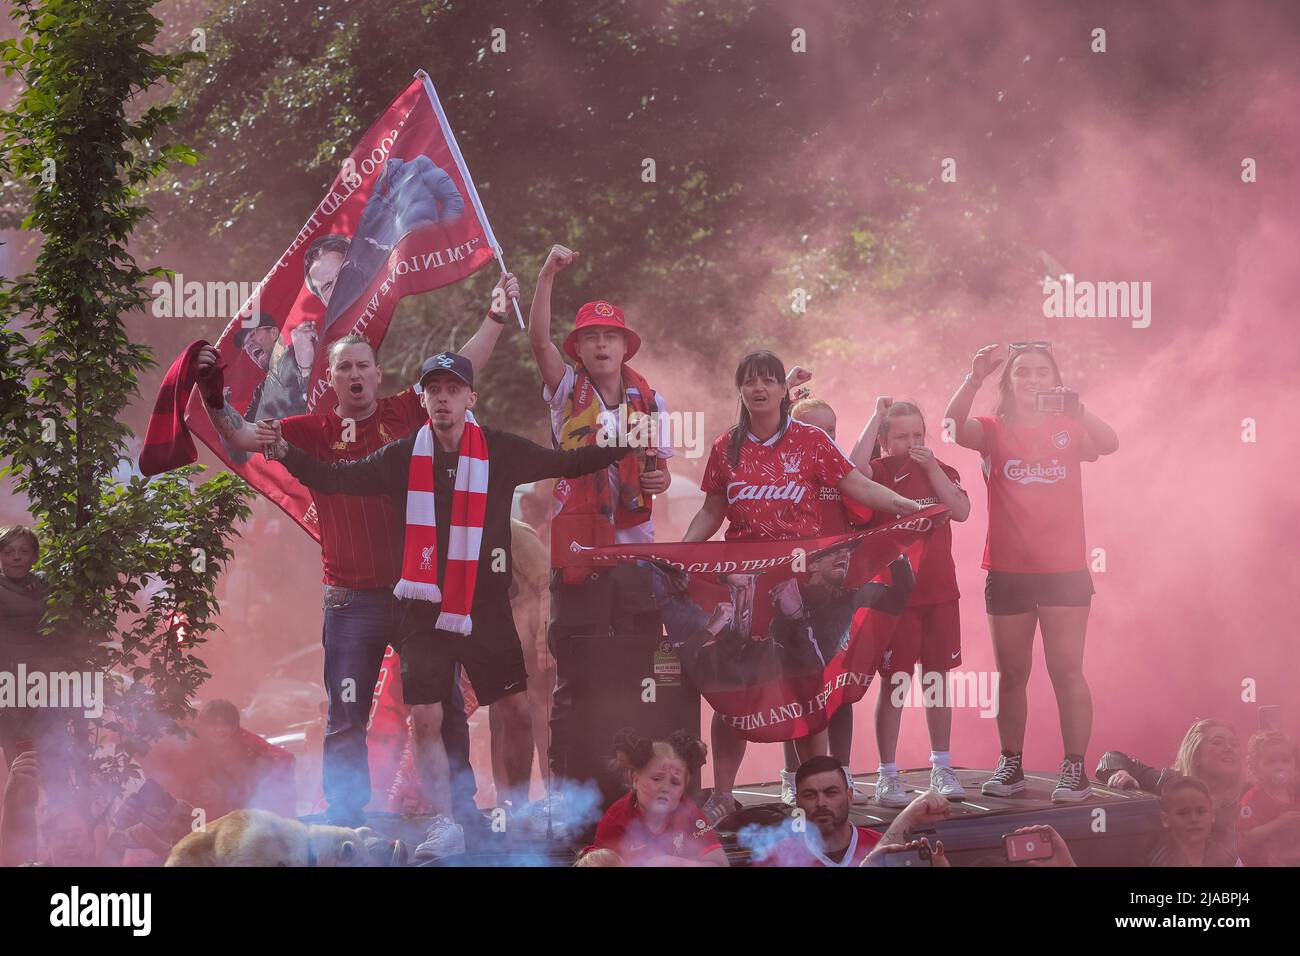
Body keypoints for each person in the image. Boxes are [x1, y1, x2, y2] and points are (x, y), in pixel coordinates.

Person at [262, 350, 635, 859]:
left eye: (452, 389)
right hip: (420, 610)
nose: (442, 398)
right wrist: (284, 450)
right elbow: (338, 480)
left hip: (485, 607)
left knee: (517, 710)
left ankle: (514, 811)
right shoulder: (401, 456)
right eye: (433, 390)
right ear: (423, 399)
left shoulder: (499, 450)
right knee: (427, 719)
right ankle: (445, 822)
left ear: (469, 398)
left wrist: (621, 443)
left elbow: (564, 463)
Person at [195, 278, 516, 828]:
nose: (355, 375)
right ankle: (346, 816)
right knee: (347, 714)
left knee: (441, 708)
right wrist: (213, 395)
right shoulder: (312, 431)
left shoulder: (405, 413)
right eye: (344, 368)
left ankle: (460, 812)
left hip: (417, 598)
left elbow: (463, 367)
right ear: (331, 379)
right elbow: (244, 437)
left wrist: (496, 316)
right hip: (349, 600)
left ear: (379, 374)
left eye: (363, 365)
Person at [682, 351, 922, 825]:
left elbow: (857, 485)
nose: (759, 389)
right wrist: (684, 553)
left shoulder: (811, 441)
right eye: (750, 382)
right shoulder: (724, 446)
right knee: (737, 690)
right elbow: (711, 511)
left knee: (806, 687)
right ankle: (724, 794)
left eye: (768, 381)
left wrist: (905, 505)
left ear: (782, 390)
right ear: (740, 390)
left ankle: (812, 795)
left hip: (802, 587)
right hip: (745, 586)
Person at [943, 342, 1118, 802]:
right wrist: (974, 375)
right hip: (1008, 569)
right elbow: (951, 426)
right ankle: (1011, 764)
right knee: (1013, 673)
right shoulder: (994, 429)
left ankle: (1074, 769)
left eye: (1042, 372)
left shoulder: (1068, 426)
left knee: (1066, 671)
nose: (1033, 380)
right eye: (1024, 373)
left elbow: (1110, 443)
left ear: (1054, 379)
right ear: (1010, 382)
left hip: (1064, 570)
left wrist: (1078, 409)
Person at [526, 243, 672, 791]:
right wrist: (546, 275)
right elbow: (538, 340)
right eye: (591, 336)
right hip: (580, 549)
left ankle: (642, 789)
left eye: (611, 335)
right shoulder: (566, 392)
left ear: (624, 345)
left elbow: (657, 473)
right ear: (580, 348)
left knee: (642, 665)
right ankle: (569, 793)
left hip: (636, 549)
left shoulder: (651, 401)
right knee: (577, 674)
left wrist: (654, 480)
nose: (602, 344)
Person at [850, 399, 971, 806]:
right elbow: (851, 469)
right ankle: (888, 773)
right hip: (896, 596)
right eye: (901, 437)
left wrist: (933, 466)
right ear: (884, 442)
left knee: (937, 680)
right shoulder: (879, 473)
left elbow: (962, 510)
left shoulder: (943, 472)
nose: (912, 443)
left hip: (939, 594)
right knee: (895, 683)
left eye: (918, 435)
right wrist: (873, 416)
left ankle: (942, 765)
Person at [776, 398, 873, 804]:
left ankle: (843, 774)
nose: (826, 440)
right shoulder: (779, 475)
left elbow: (867, 511)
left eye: (831, 431)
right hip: (792, 595)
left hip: (836, 596)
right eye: (816, 431)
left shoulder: (842, 476)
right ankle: (793, 776)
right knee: (796, 688)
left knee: (839, 685)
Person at [307, 154, 466, 334]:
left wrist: (437, 236)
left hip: (433, 264)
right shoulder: (362, 206)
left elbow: (455, 203)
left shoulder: (418, 166)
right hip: (401, 283)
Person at [1098, 717, 1245, 856]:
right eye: (1217, 742)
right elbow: (1112, 757)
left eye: (1234, 744)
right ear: (1196, 754)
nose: (1228, 748)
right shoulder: (1171, 783)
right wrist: (1120, 772)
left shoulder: (1249, 793)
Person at [0, 525, 82, 777]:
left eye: (23, 551)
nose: (15, 557)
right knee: (21, 760)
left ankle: (59, 811)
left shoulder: (48, 584)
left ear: (35, 556)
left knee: (54, 754)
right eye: (8, 551)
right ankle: (23, 813)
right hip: (8, 687)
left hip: (46, 683)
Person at [581, 730, 727, 867]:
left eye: (675, 783)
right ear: (635, 779)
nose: (665, 788)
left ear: (684, 787)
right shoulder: (616, 820)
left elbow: (721, 864)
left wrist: (674, 863)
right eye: (657, 778)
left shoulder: (689, 814)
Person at [758, 755, 883, 866]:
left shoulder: (881, 847)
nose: (821, 803)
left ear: (849, 797)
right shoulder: (776, 859)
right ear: (797, 801)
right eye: (810, 795)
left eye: (831, 793)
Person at [1236, 730, 1300, 866]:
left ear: (1295, 765)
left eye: (1285, 760)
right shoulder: (1253, 798)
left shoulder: (1295, 795)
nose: (1279, 767)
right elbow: (1247, 835)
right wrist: (1279, 822)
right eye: (1271, 762)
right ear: (1256, 768)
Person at [1147, 777, 1239, 867]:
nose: (1193, 819)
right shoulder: (1162, 861)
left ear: (1212, 815)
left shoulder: (1226, 857)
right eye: (1183, 813)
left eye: (1201, 811)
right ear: (1165, 820)